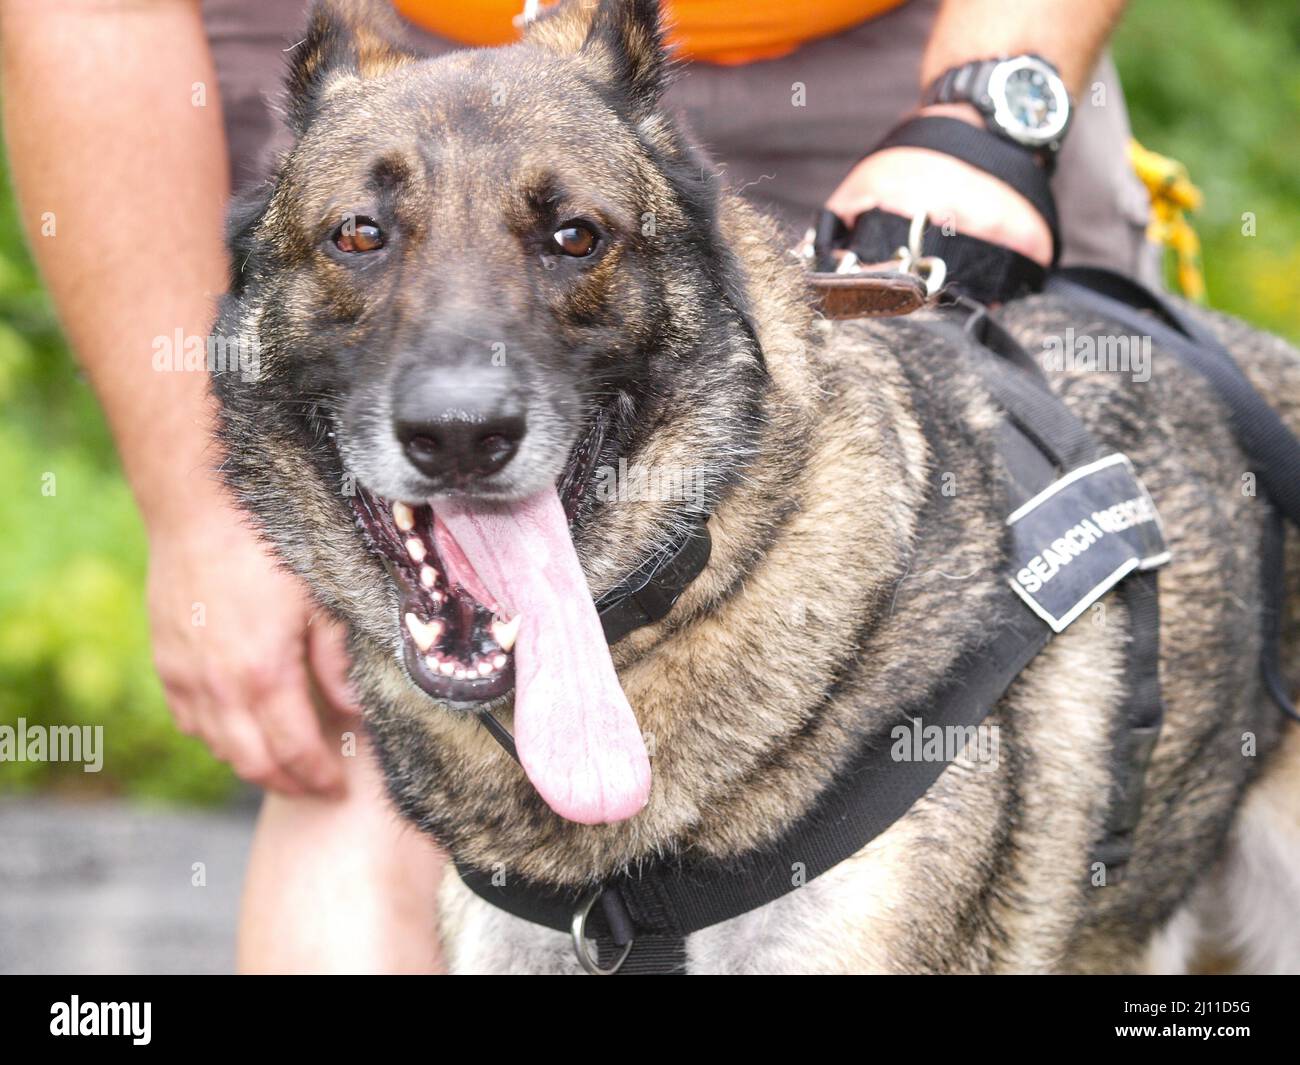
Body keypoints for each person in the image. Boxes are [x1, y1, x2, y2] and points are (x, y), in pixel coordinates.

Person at [0, 0, 1152, 973]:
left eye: (570, 240)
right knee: (346, 751)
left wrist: (993, 108)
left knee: (1023, 603)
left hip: (920, 44)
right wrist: (196, 518)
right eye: (360, 236)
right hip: (383, 35)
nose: (463, 416)